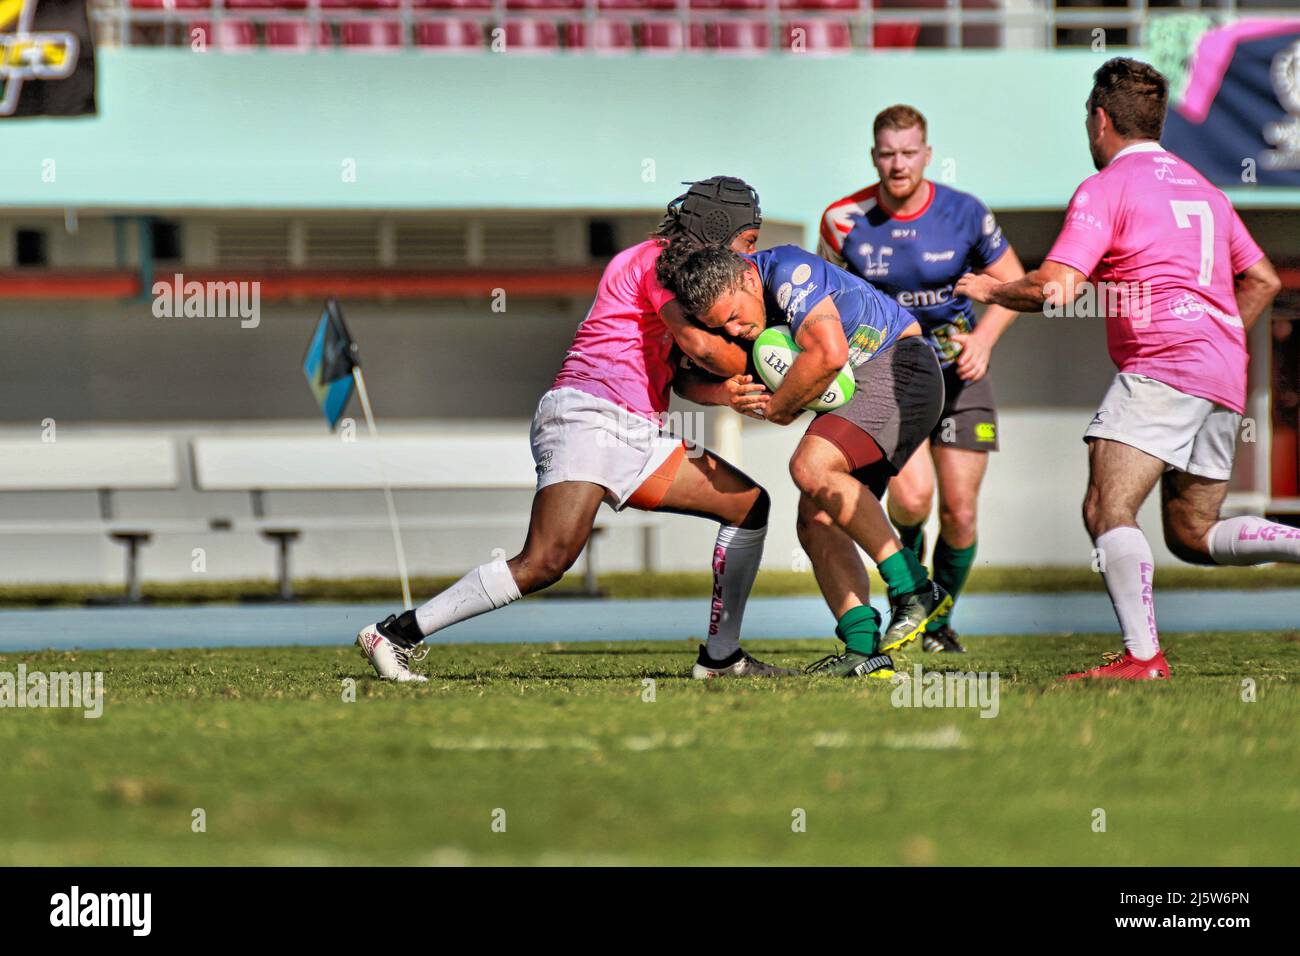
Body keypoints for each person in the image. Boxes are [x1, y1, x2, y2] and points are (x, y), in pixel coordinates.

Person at [357, 177, 796, 682]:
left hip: (636, 430)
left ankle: (720, 658)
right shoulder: (658, 259)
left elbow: (683, 375)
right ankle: (393, 634)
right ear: (719, 227)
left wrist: (725, 393)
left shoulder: (690, 278)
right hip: (589, 415)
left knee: (747, 505)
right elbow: (704, 351)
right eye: (749, 238)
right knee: (546, 560)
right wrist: (790, 359)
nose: (752, 252)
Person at [956, 58, 1291, 680]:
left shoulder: (1108, 186)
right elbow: (1265, 279)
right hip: (1223, 372)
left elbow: (1055, 288)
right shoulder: (1205, 188)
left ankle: (1143, 658)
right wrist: (1212, 334)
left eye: (1089, 118)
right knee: (1192, 534)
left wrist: (992, 291)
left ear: (1101, 119)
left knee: (1106, 508)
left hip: (1164, 366)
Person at [659, 241, 951, 678]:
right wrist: (722, 393)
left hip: (901, 368)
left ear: (748, 277)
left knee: (810, 467)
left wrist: (779, 409)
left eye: (736, 316)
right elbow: (684, 382)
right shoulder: (726, 306)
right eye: (722, 325)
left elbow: (829, 355)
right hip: (859, 389)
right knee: (815, 521)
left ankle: (914, 588)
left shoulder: (790, 271)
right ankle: (864, 653)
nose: (736, 330)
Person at [818, 105, 1027, 653]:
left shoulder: (964, 213)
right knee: (912, 500)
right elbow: (824, 303)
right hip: (892, 379)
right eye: (887, 154)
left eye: (909, 152)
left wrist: (982, 340)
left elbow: (1016, 284)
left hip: (960, 376)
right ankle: (906, 599)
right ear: (873, 156)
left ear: (927, 155)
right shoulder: (843, 220)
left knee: (959, 511)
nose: (898, 164)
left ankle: (936, 624)